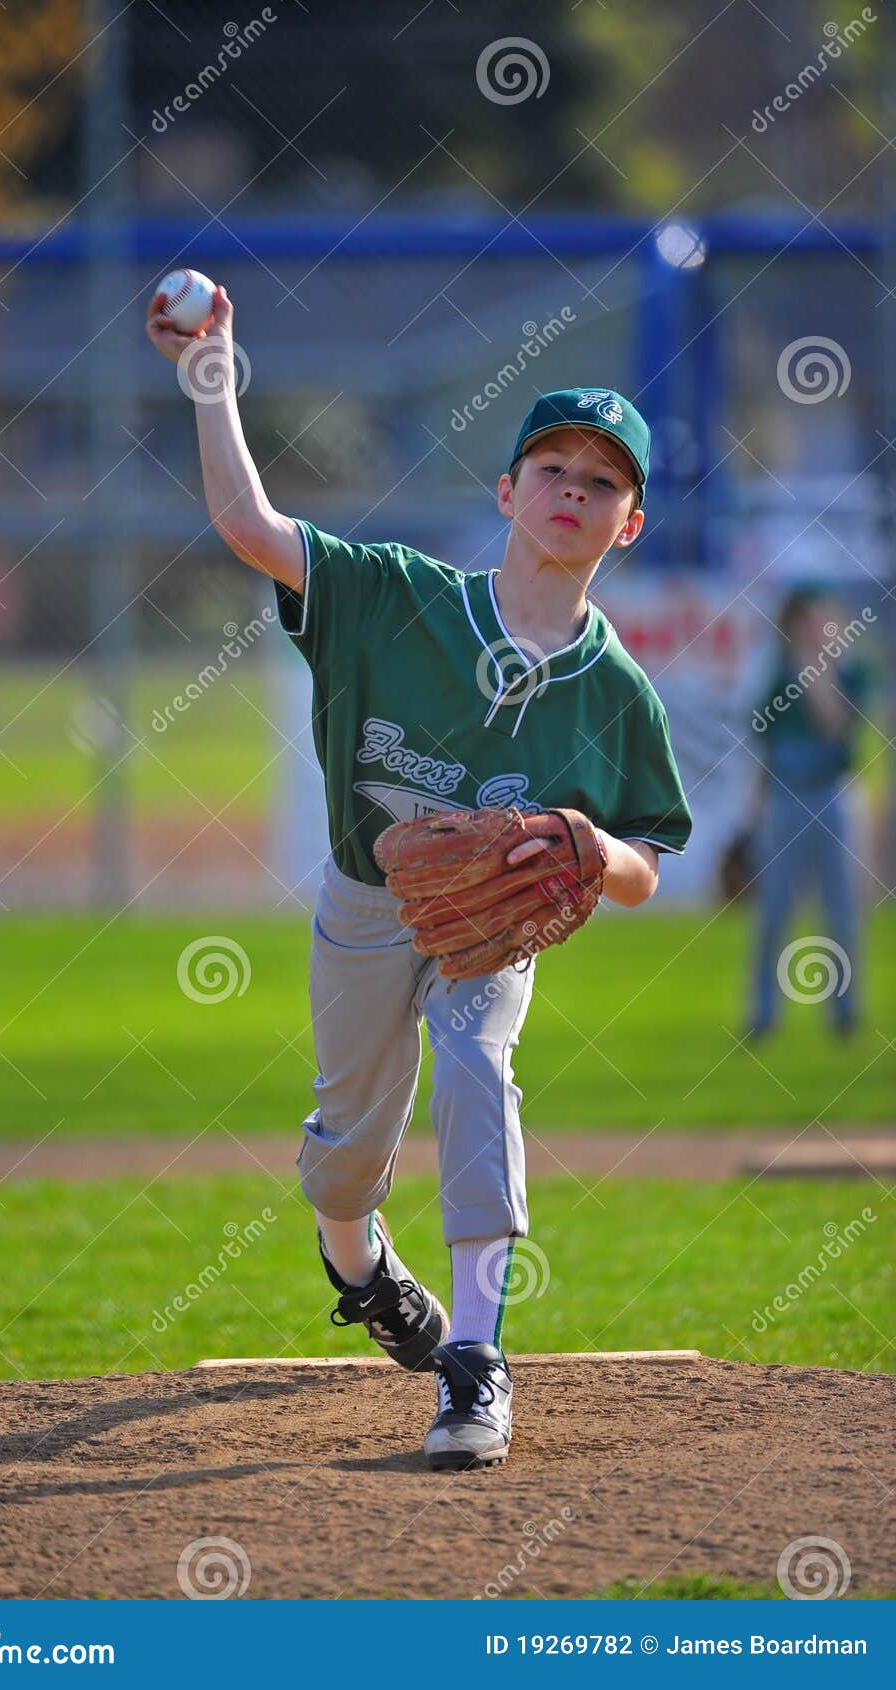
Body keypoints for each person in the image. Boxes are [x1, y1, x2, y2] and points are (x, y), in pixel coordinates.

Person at [146, 285, 692, 1471]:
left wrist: (596, 853)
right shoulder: (395, 598)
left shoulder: (616, 696)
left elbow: (647, 860)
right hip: (362, 906)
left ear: (629, 524)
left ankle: (476, 1358)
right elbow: (248, 524)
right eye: (552, 466)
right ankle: (367, 1274)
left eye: (603, 482)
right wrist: (211, 372)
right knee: (348, 1152)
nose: (572, 491)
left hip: (496, 933)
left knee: (477, 1059)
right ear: (506, 492)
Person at [745, 586, 868, 1040]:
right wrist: (752, 811)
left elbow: (836, 724)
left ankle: (844, 1013)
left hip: (829, 796)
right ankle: (762, 1015)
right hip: (785, 797)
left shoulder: (849, 672)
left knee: (839, 910)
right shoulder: (777, 673)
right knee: (774, 911)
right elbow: (763, 744)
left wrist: (820, 668)